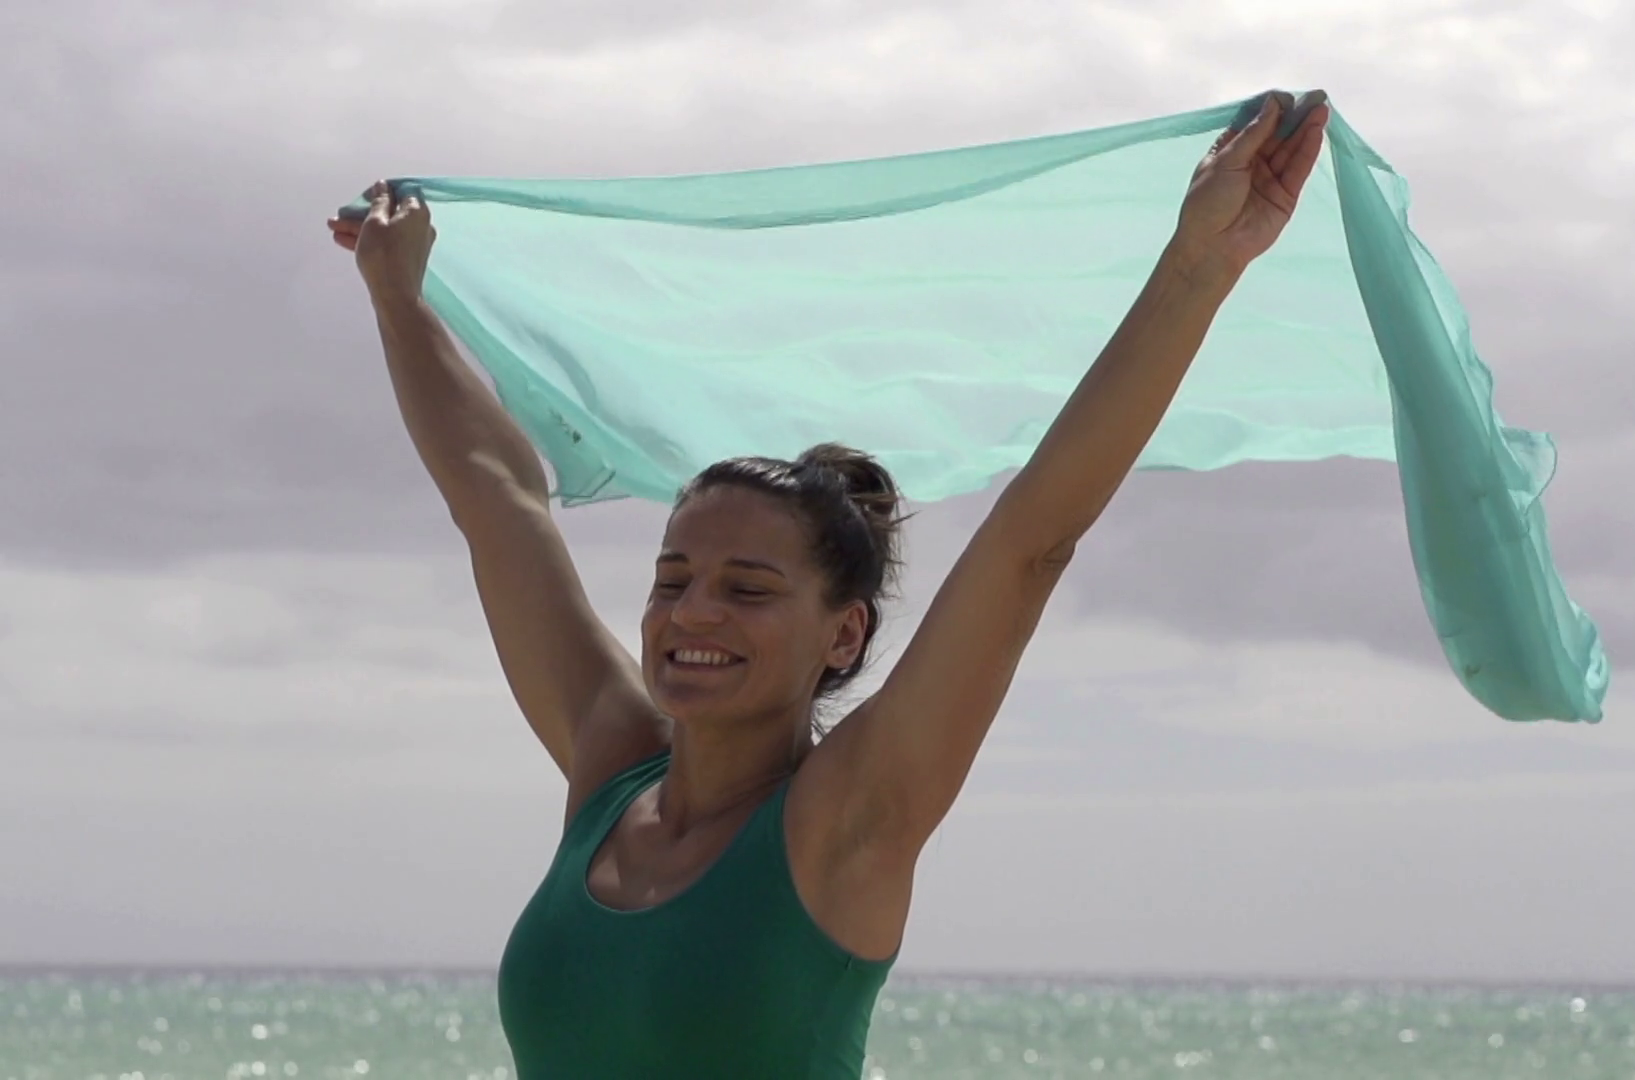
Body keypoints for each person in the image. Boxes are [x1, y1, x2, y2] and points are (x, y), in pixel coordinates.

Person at [325, 92, 1329, 1078]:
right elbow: (500, 503)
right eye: (673, 578)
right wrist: (396, 297)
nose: (692, 612)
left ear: (842, 636)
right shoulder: (612, 766)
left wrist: (1200, 263)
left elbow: (1030, 545)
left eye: (748, 589)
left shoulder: (845, 819)